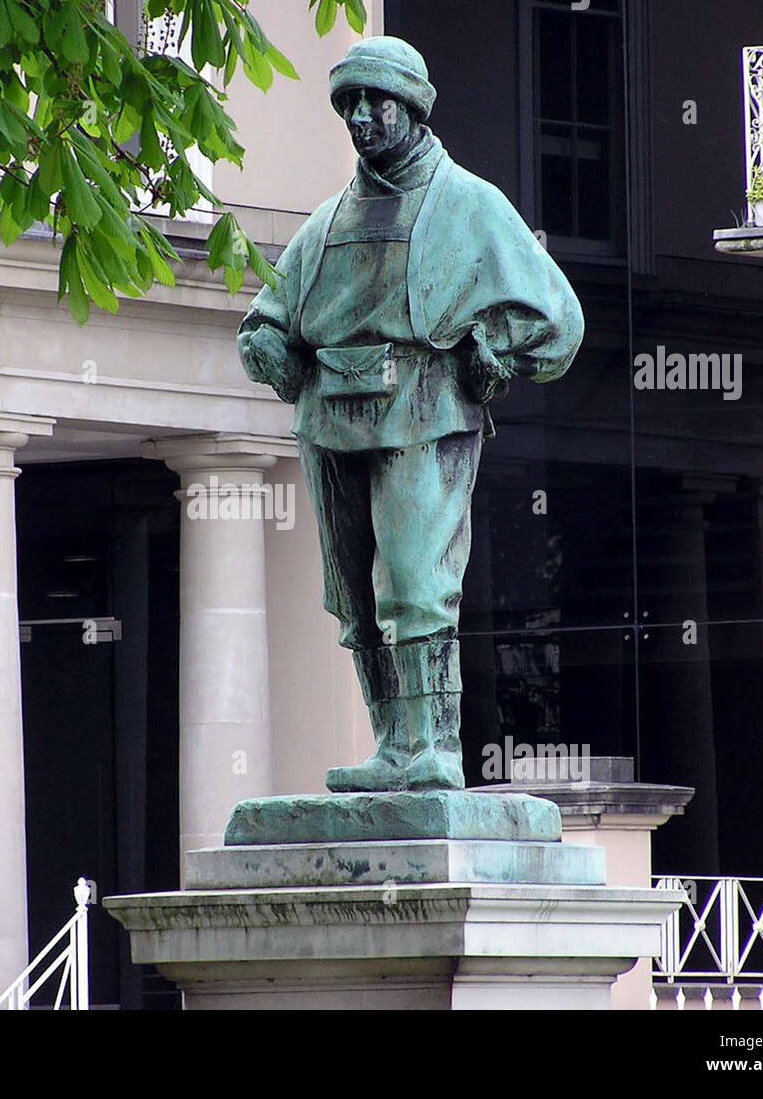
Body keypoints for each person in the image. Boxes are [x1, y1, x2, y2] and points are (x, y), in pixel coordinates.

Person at [237, 36, 583, 792]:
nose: (361, 117)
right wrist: (263, 344)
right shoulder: (327, 221)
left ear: (413, 107)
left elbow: (559, 319)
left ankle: (434, 746)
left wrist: (495, 348)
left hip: (425, 413)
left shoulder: (471, 205)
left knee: (417, 587)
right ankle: (391, 746)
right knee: (354, 601)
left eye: (376, 101)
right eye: (350, 104)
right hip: (329, 419)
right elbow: (269, 316)